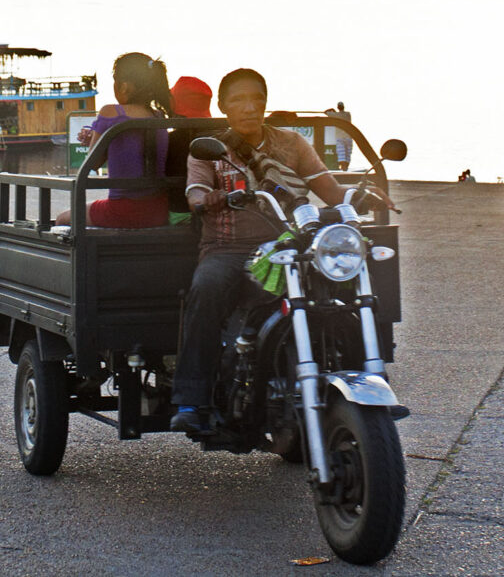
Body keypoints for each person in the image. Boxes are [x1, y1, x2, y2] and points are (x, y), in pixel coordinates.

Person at [172, 67, 345, 432]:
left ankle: (349, 377)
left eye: (257, 99)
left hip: (287, 245)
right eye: (238, 100)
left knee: (339, 286)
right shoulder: (209, 149)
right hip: (227, 249)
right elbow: (195, 194)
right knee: (206, 288)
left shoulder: (291, 144)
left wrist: (364, 198)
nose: (249, 107)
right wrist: (212, 198)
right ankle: (192, 399)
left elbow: (329, 189)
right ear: (223, 105)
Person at [64, 53, 177, 227]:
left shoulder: (111, 112)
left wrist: (92, 142)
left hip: (123, 210)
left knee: (61, 219)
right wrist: (97, 140)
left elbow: (93, 163)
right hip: (157, 209)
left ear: (123, 86)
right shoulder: (158, 116)